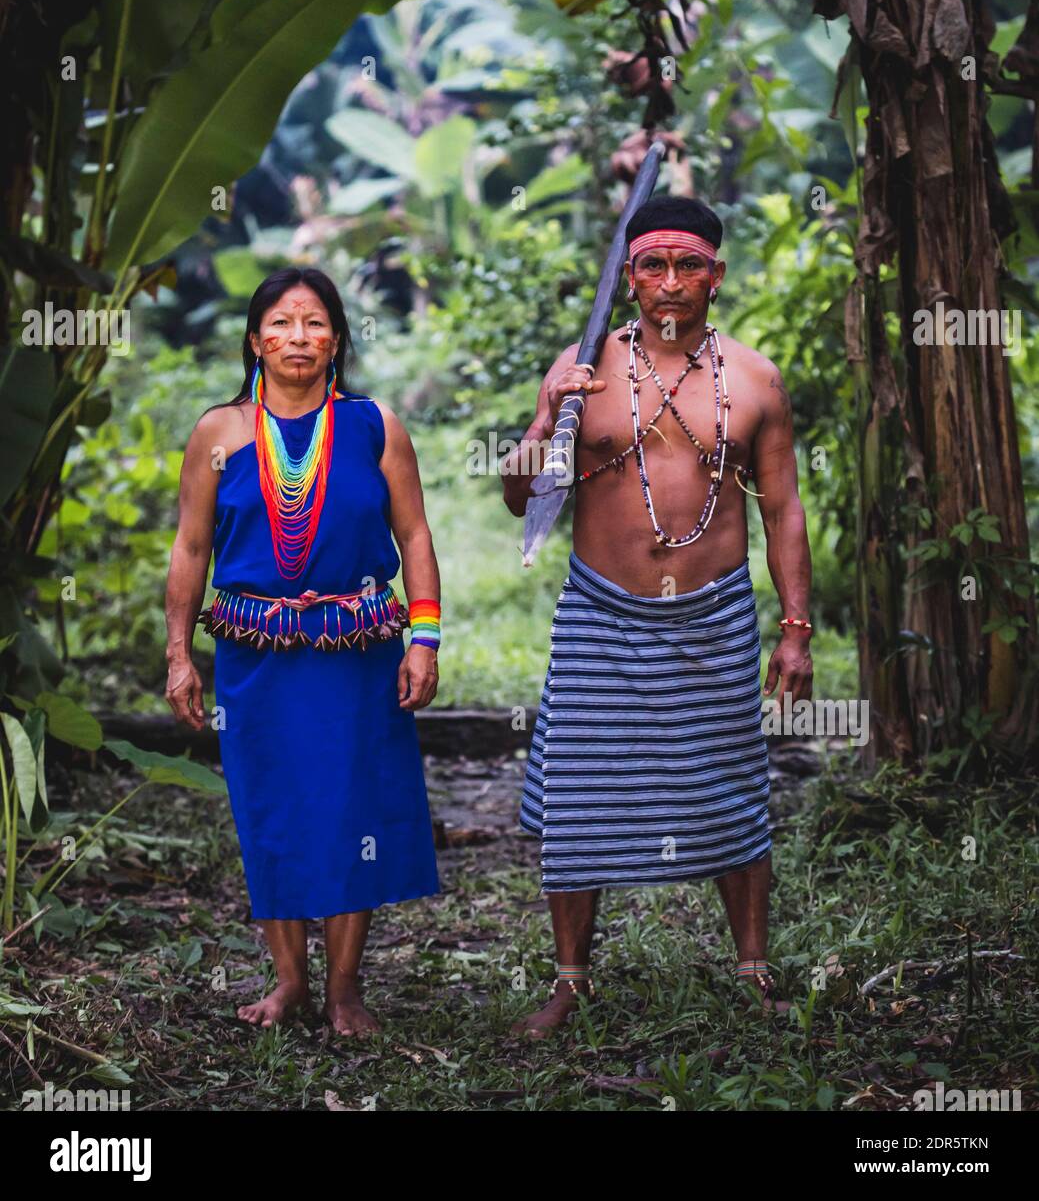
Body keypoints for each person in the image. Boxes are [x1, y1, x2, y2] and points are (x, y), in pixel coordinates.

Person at [501, 195, 813, 1037]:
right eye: (652, 266)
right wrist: (543, 418)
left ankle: (752, 968)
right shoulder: (582, 365)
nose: (670, 283)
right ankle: (570, 982)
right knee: (577, 793)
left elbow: (782, 509)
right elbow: (518, 496)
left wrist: (793, 629)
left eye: (688, 266)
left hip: (713, 619)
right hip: (600, 614)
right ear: (629, 277)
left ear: (715, 275)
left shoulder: (753, 379)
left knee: (731, 789)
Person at [164, 267, 442, 1035]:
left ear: (337, 340)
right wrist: (178, 653)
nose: (297, 337)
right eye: (280, 323)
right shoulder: (219, 433)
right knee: (274, 811)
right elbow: (190, 549)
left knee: (353, 803)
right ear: (255, 340)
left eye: (314, 323)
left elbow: (414, 536)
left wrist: (425, 638)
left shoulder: (374, 426)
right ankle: (288, 982)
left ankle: (345, 989)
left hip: (356, 652)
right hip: (257, 659)